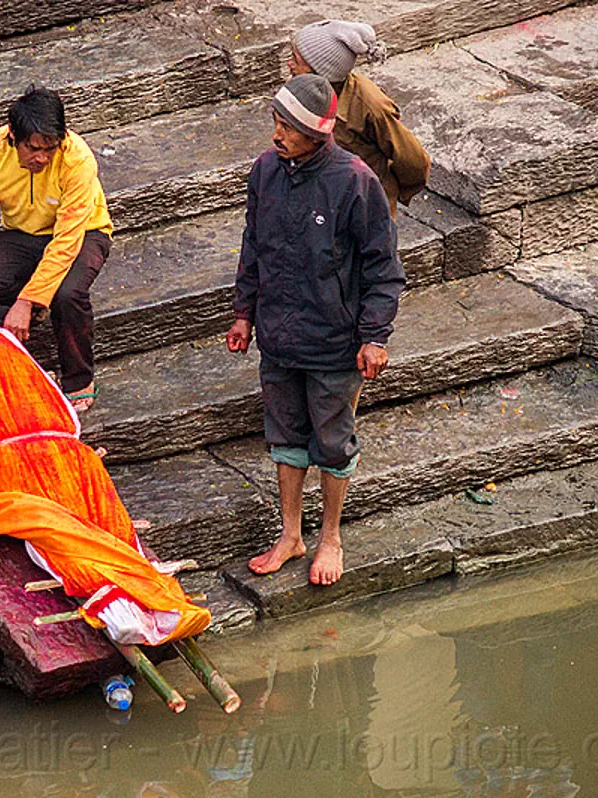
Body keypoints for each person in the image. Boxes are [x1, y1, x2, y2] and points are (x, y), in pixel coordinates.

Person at [0, 288, 209, 645]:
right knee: (113, 531)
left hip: (12, 460)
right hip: (70, 448)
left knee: (56, 537)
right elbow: (53, 395)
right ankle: (162, 604)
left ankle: (120, 615)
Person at [226, 74, 405, 586]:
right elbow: (253, 244)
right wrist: (244, 313)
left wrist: (375, 336)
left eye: (287, 127)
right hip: (280, 336)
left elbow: (383, 268)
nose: (277, 135)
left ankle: (330, 537)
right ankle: (290, 534)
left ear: (315, 134)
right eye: (275, 123)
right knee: (285, 435)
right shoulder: (266, 172)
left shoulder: (354, 182)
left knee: (331, 440)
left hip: (333, 341)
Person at [0, 85, 113, 412]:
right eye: (33, 148)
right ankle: (39, 301)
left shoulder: (78, 159)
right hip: (24, 234)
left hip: (84, 232)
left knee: (68, 294)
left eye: (50, 149)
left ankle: (79, 379)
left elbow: (66, 241)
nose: (41, 157)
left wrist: (27, 300)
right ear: (14, 136)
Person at [289, 19, 430, 218]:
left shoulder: (371, 107)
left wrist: (387, 189)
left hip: (365, 207)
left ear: (321, 72)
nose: (290, 65)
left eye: (296, 60)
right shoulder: (301, 89)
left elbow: (413, 162)